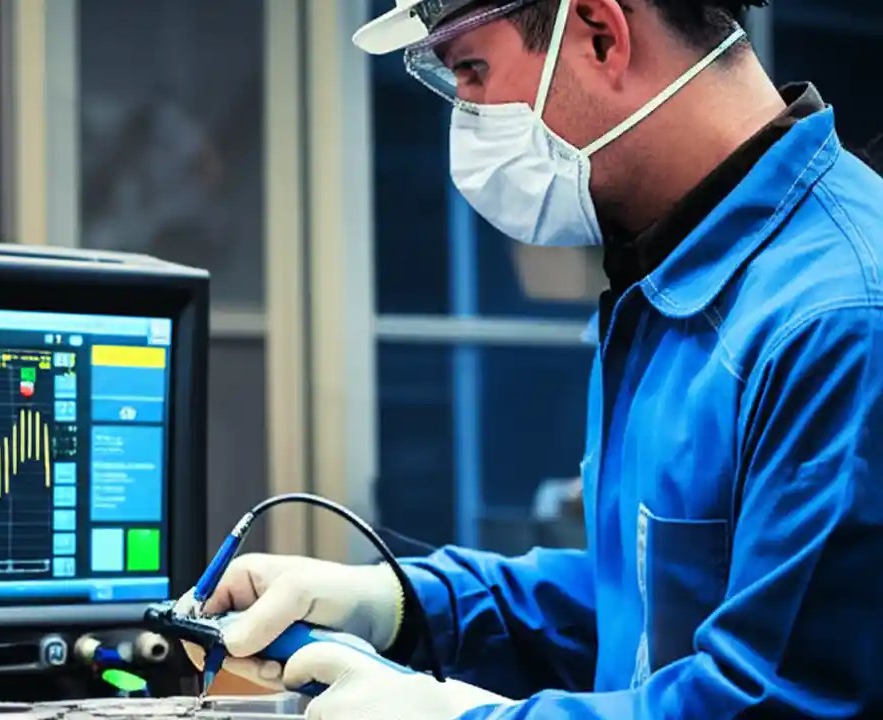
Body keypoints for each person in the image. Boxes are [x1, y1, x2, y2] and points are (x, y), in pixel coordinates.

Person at [184, 0, 883, 717]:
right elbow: (642, 611)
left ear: (602, 33)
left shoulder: (840, 320)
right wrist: (403, 604)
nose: (466, 112)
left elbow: (777, 702)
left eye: (473, 71)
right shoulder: (682, 283)